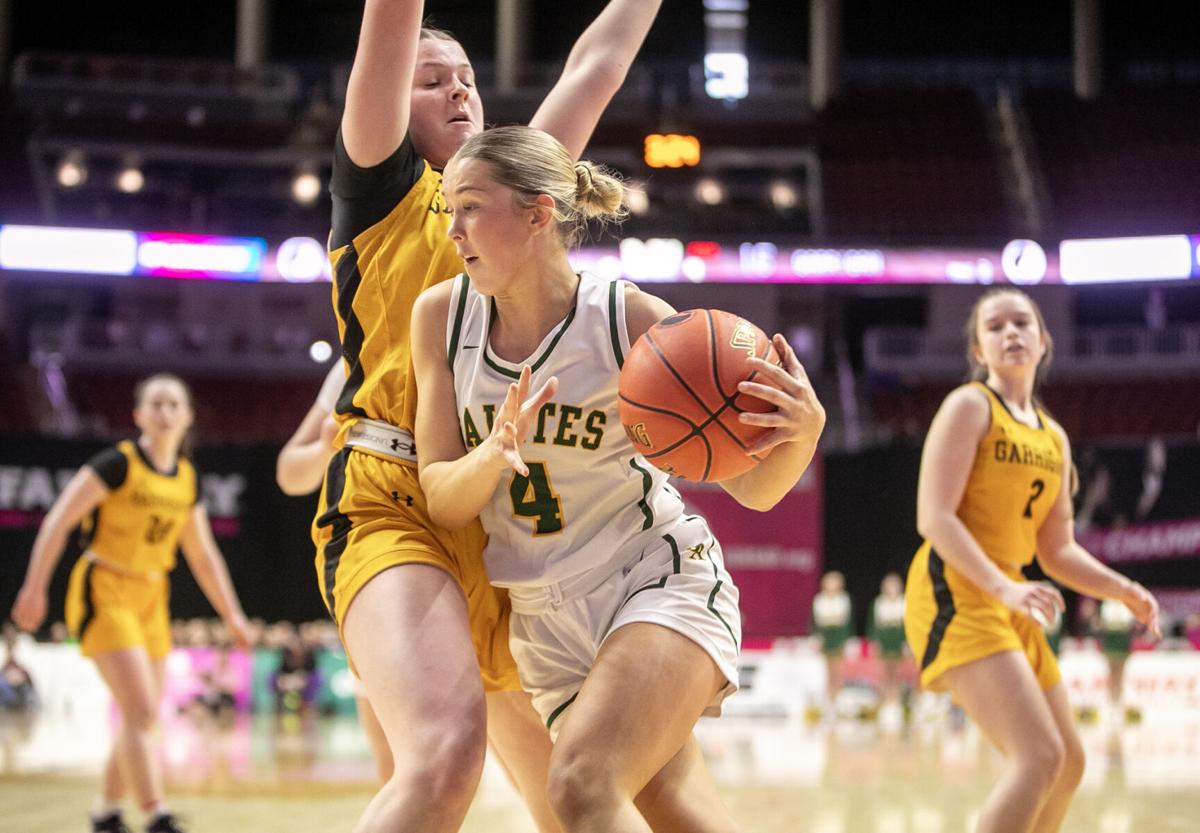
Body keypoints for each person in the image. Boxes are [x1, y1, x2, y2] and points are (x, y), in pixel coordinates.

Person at [410, 125, 826, 832]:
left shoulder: (625, 319)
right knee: (678, 813)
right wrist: (492, 453)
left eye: (471, 208)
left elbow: (754, 490)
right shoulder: (440, 319)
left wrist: (802, 435)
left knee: (582, 784)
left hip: (650, 578)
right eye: (451, 210)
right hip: (544, 620)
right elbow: (442, 497)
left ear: (539, 214)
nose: (453, 231)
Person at [315, 3, 664, 832]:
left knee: (577, 799)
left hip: (504, 520)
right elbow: (389, 22)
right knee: (442, 760)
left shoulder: (513, 193)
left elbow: (597, 67)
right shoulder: (380, 184)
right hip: (395, 495)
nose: (458, 90)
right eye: (432, 80)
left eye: (468, 78)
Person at [903, 288, 1161, 833]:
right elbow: (934, 517)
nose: (1011, 333)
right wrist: (1003, 588)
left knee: (1068, 764)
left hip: (1009, 594)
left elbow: (1056, 549)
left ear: (1044, 342)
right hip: (956, 588)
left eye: (1022, 323)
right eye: (995, 327)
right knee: (1038, 757)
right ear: (979, 350)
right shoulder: (970, 406)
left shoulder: (1055, 439)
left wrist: (1121, 589)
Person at [10, 373, 253, 833]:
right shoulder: (117, 464)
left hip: (152, 594)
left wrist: (232, 615)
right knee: (140, 710)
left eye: (174, 404)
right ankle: (156, 814)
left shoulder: (187, 479)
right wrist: (34, 586)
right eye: (155, 404)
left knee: (142, 715)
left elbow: (203, 556)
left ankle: (106, 812)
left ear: (188, 417)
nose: (165, 412)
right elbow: (58, 520)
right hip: (105, 587)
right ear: (138, 415)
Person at [867, 572, 907, 715]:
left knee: (896, 673)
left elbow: (908, 626)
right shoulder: (878, 603)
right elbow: (872, 625)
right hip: (884, 641)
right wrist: (874, 642)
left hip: (898, 641)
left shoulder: (904, 603)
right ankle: (883, 703)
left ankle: (895, 702)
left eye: (894, 586)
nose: (892, 589)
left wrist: (907, 643)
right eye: (889, 586)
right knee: (884, 673)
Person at [811, 570, 853, 708]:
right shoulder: (819, 600)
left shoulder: (843, 599)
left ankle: (837, 699)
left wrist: (845, 640)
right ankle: (828, 701)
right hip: (826, 637)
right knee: (827, 670)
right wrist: (817, 638)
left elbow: (847, 623)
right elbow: (815, 623)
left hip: (838, 636)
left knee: (838, 670)